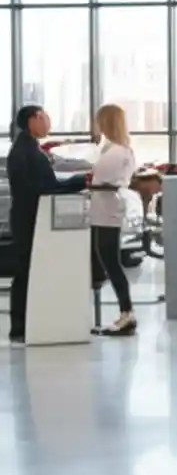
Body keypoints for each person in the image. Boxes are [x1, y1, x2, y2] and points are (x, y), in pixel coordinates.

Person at [6, 105, 89, 344]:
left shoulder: (31, 148)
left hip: (31, 215)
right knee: (25, 271)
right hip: (29, 218)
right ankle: (20, 326)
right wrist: (80, 181)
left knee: (29, 271)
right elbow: (43, 188)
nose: (49, 124)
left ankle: (27, 323)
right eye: (45, 119)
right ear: (32, 120)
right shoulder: (25, 151)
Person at [88, 104, 139, 337]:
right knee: (109, 261)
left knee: (110, 262)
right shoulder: (119, 150)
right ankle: (125, 312)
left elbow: (104, 179)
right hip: (106, 210)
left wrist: (88, 181)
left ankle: (127, 313)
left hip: (107, 211)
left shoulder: (116, 152)